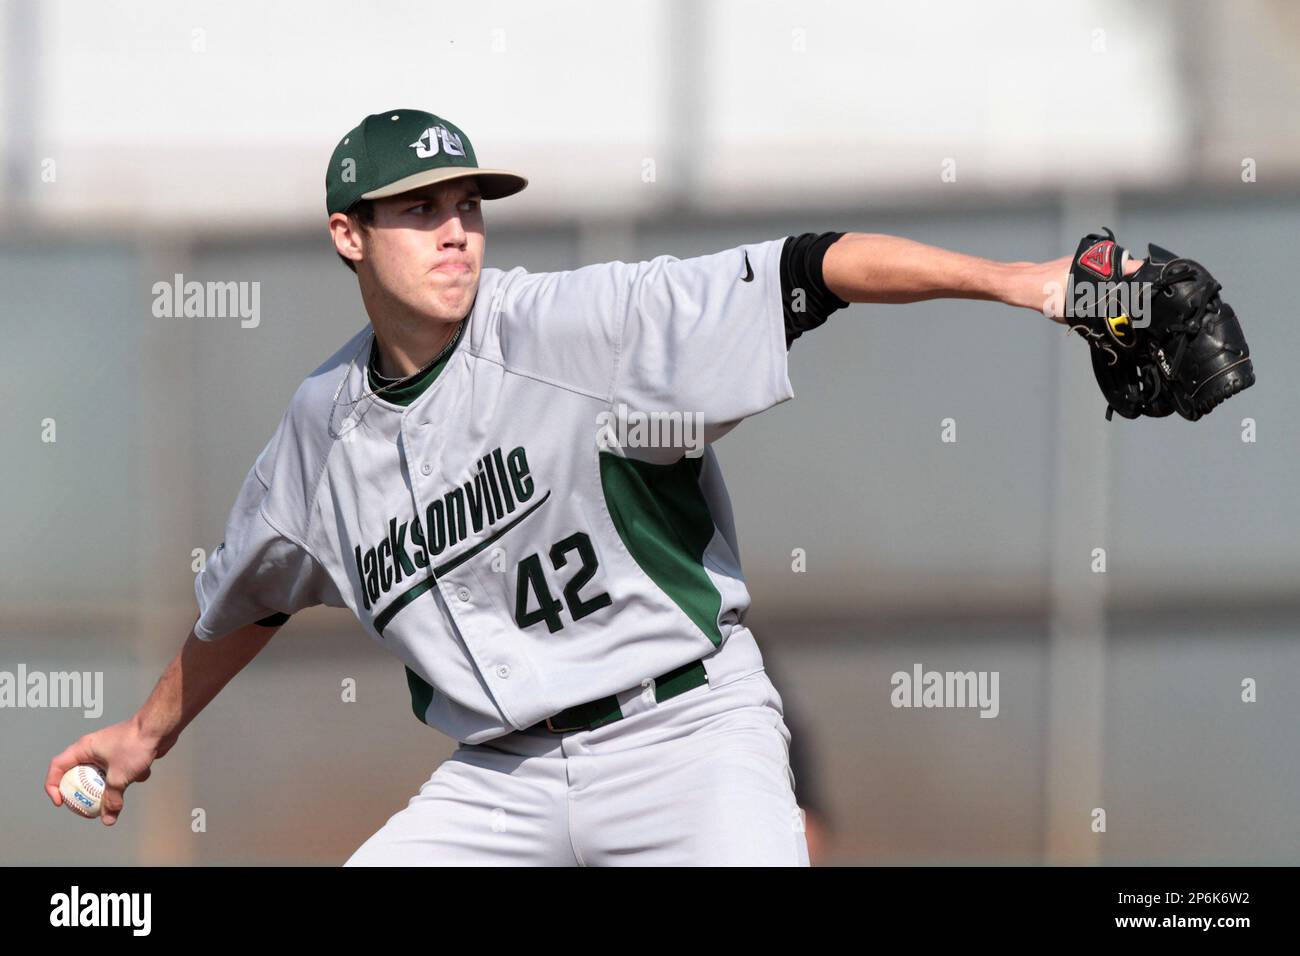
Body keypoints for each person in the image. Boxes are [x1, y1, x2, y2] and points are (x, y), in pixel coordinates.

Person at [45, 109, 1088, 865]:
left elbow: (805, 269)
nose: (456, 229)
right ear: (347, 234)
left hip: (682, 736)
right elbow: (250, 598)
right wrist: (145, 735)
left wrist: (1021, 282)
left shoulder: (574, 326)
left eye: (467, 204)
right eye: (419, 208)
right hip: (500, 779)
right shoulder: (319, 429)